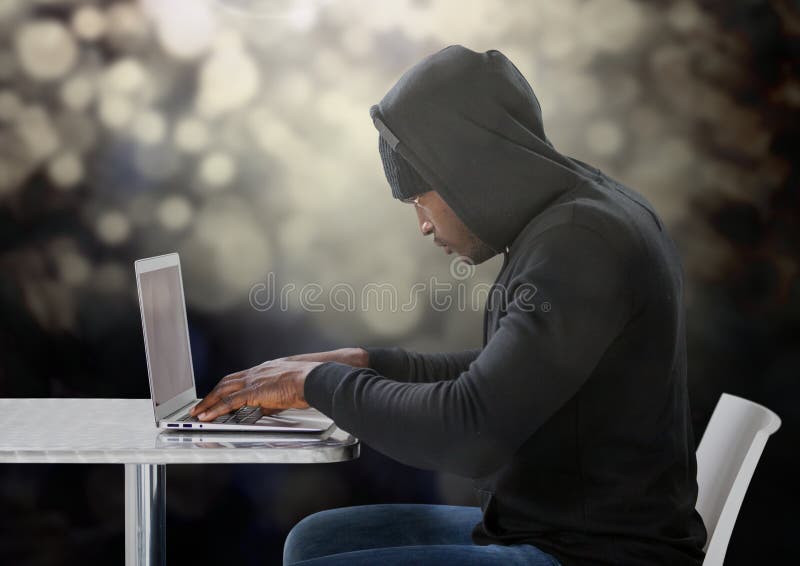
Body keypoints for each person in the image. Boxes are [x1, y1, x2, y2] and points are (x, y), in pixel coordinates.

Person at [190, 45, 708, 565]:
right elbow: (511, 377)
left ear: (469, 170)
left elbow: (470, 433)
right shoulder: (579, 212)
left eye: (421, 198)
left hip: (591, 555)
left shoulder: (580, 244)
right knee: (313, 541)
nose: (423, 225)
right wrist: (370, 364)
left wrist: (317, 385)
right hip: (555, 529)